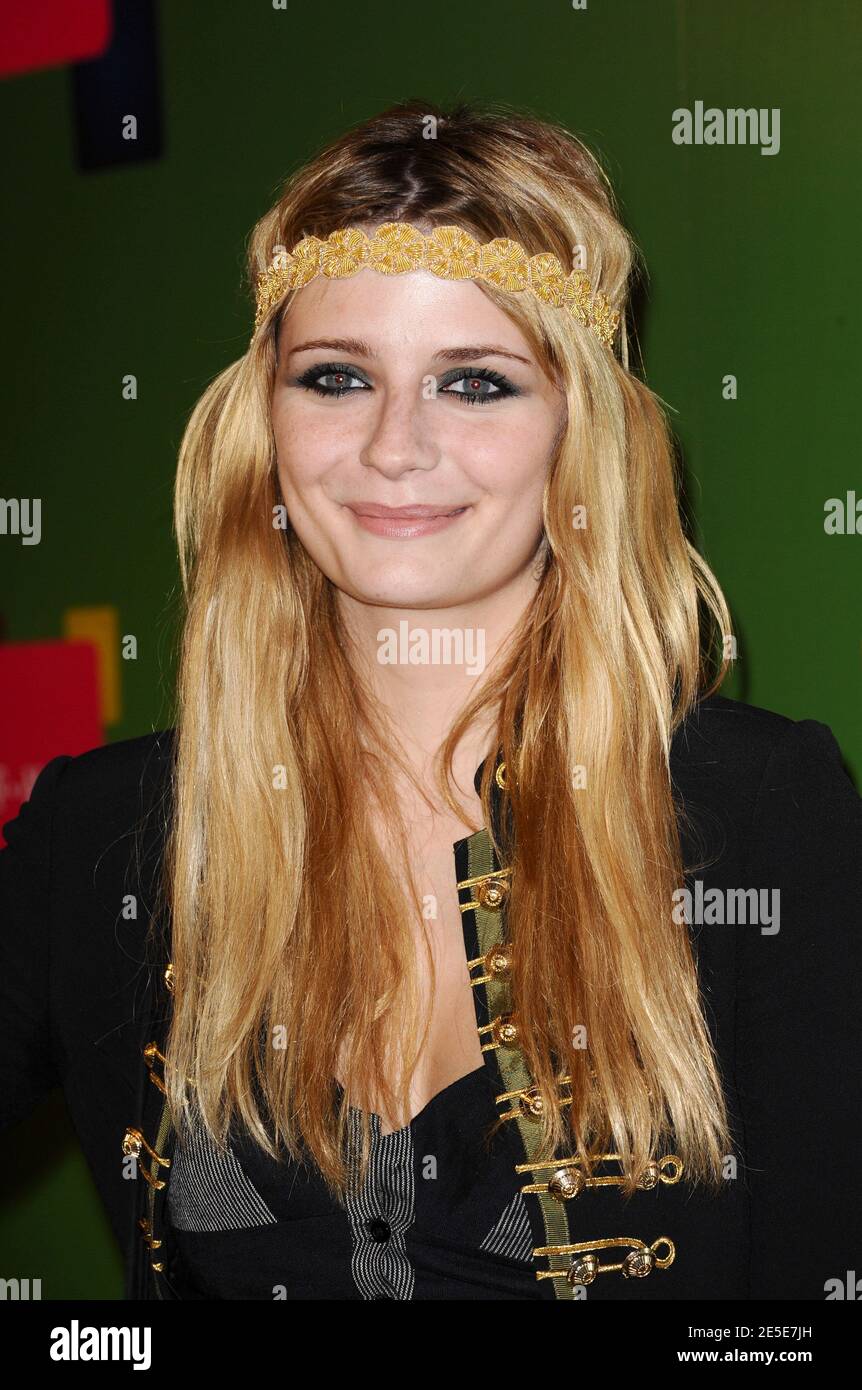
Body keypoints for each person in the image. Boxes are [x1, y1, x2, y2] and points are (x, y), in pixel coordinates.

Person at [2, 98, 860, 1302]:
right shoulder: (102, 831)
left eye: (474, 383)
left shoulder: (758, 809)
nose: (394, 446)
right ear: (266, 426)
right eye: (336, 377)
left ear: (579, 432)